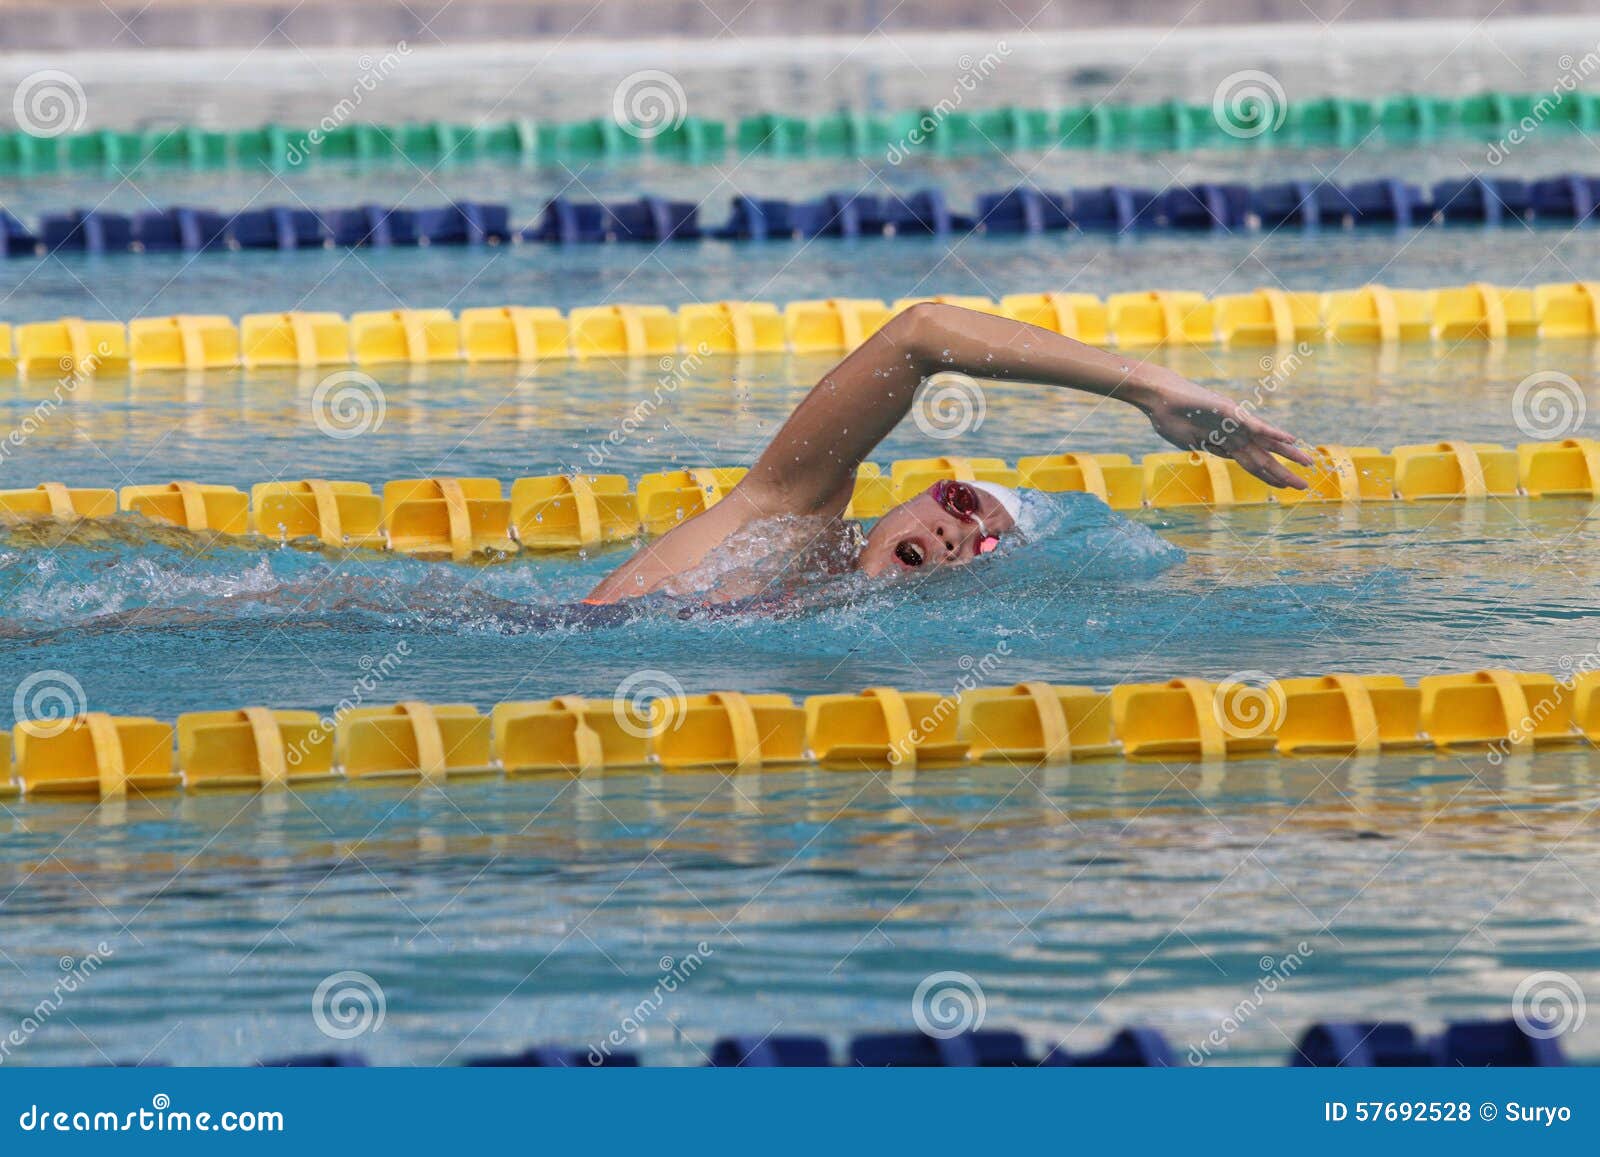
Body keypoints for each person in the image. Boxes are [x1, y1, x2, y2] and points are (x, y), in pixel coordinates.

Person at [585, 302, 1312, 605]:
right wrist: (1146, 388)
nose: (964, 532)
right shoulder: (777, 523)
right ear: (914, 497)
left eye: (988, 543)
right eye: (964, 504)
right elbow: (920, 334)